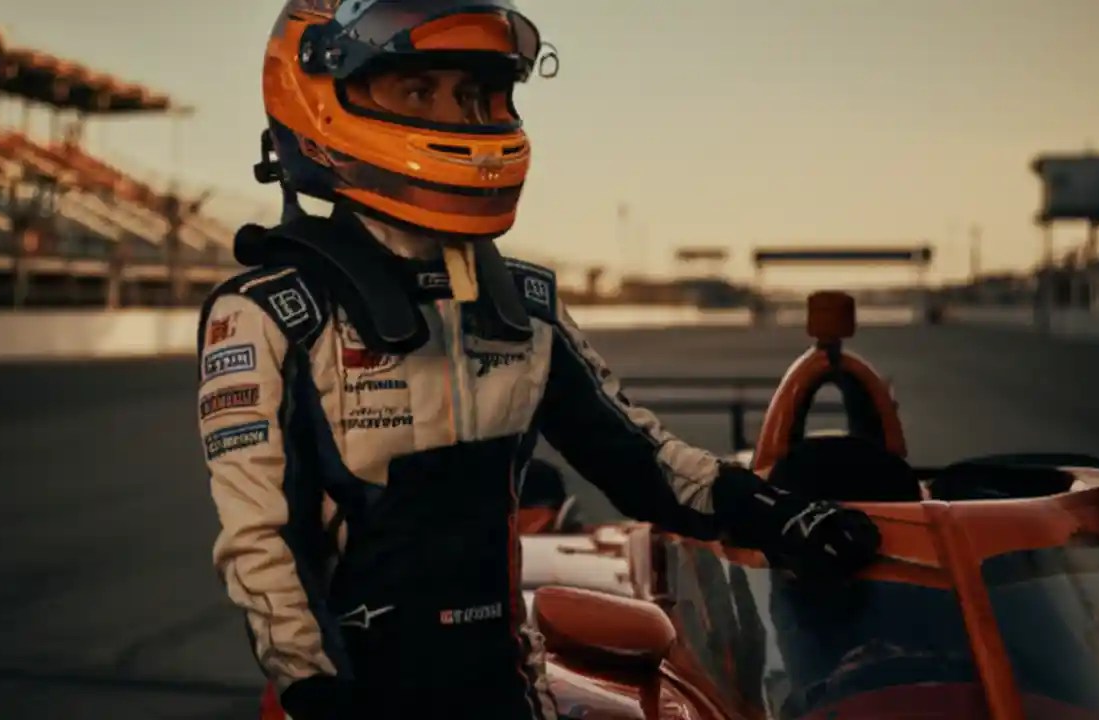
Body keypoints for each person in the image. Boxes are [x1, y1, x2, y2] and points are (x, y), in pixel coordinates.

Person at [196, 2, 882, 718]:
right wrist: (318, 690)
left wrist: (779, 514)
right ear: (320, 98)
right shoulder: (269, 312)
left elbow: (640, 460)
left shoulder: (522, 304)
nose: (459, 118)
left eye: (472, 94)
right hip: (350, 695)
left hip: (505, 690)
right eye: (418, 91)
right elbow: (263, 542)